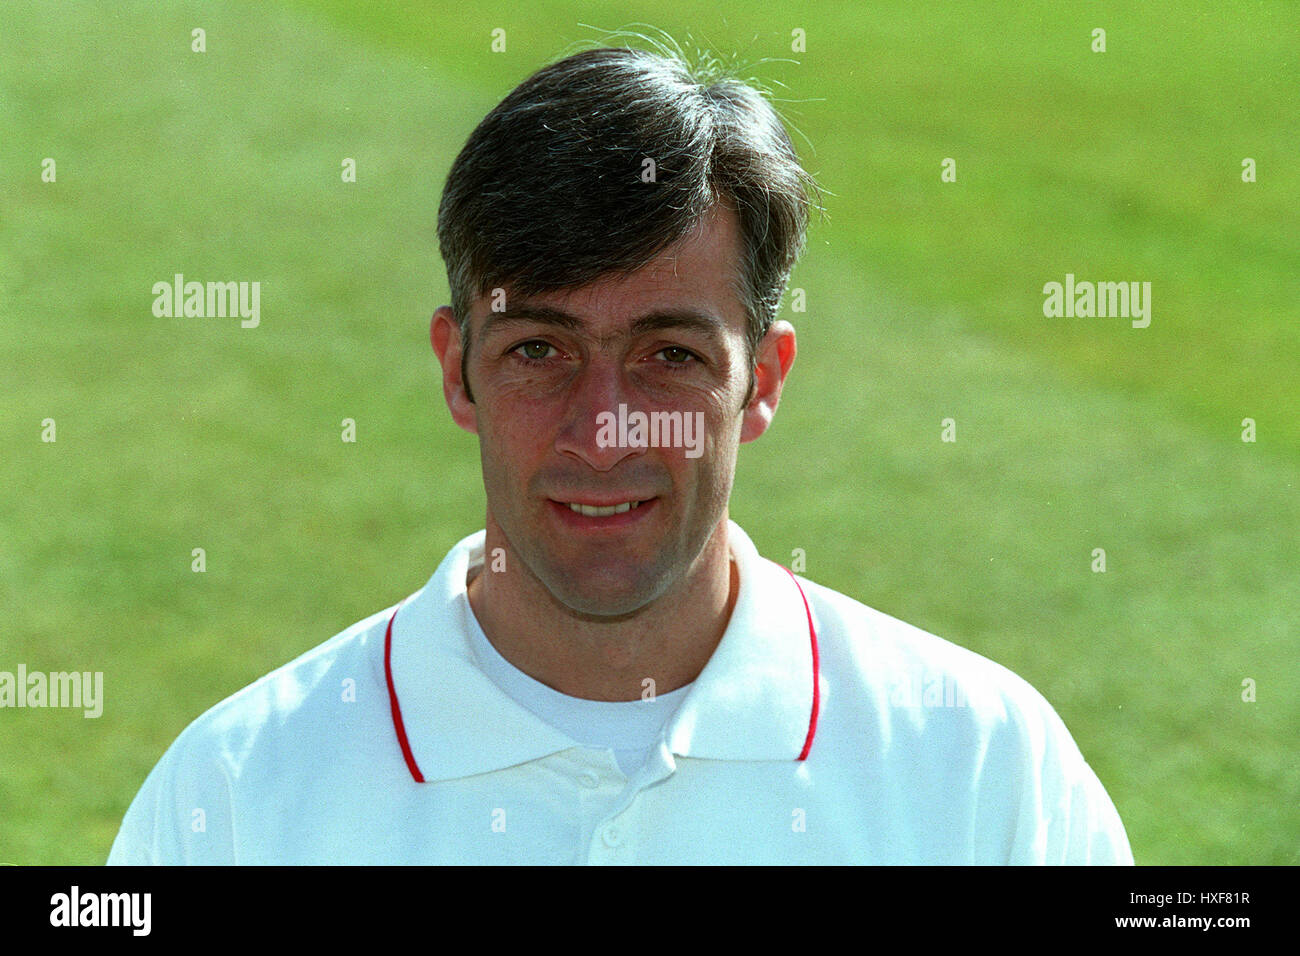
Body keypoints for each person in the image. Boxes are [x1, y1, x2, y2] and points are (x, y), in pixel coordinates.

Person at [108, 43, 1132, 865]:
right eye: (539, 350)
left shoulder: (983, 767)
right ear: (457, 370)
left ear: (762, 381)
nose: (604, 430)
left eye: (669, 354)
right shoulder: (234, 796)